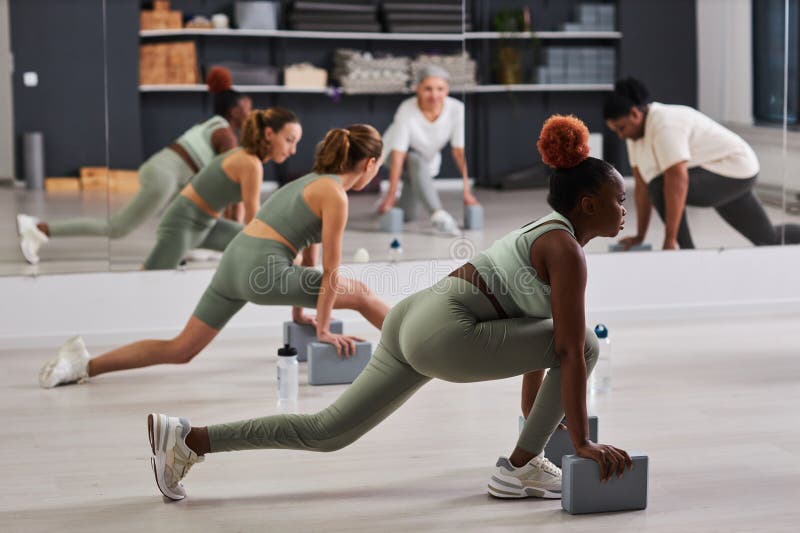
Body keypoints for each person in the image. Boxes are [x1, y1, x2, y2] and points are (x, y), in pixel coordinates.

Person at [144, 115, 633, 502]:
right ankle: (518, 469)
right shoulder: (565, 250)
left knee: (327, 431)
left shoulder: (542, 230)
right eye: (619, 199)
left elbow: (538, 338)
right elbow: (569, 350)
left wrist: (537, 423)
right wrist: (581, 443)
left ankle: (189, 440)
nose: (624, 210)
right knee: (586, 341)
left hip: (411, 319)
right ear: (588, 204)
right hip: (447, 332)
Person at [38, 124, 390, 390]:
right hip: (262, 270)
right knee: (361, 295)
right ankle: (421, 347)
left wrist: (303, 313)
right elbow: (330, 273)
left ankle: (83, 365)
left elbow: (308, 251)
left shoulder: (313, 181)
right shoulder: (336, 195)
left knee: (181, 348)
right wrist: (325, 329)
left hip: (235, 263)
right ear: (370, 164)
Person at [17, 67, 252, 264]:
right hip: (165, 177)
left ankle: (181, 250)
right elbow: (232, 187)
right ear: (234, 112)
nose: (250, 115)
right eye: (247, 109)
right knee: (118, 227)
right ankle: (39, 229)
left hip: (164, 170)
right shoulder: (226, 137)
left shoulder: (215, 125)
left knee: (185, 217)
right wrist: (238, 232)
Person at [604, 77, 800, 250]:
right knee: (768, 239)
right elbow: (641, 189)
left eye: (621, 128)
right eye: (616, 131)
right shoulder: (634, 137)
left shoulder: (665, 123)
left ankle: (686, 250)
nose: (621, 135)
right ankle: (684, 249)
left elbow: (677, 181)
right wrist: (640, 237)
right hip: (719, 171)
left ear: (635, 114)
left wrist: (670, 240)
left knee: (660, 185)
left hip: (736, 168)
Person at [142, 107, 300, 270]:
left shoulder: (247, 158)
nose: (293, 151)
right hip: (183, 224)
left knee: (277, 251)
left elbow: (242, 213)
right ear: (268, 134)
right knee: (149, 276)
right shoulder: (250, 164)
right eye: (289, 140)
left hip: (208, 226)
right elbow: (254, 217)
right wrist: (275, 248)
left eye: (296, 143)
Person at [376, 65, 479, 236]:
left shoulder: (457, 109)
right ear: (417, 88)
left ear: (447, 90)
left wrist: (467, 192)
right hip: (391, 156)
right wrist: (391, 194)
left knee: (408, 216)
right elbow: (399, 153)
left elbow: (459, 152)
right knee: (415, 159)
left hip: (424, 163)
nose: (434, 95)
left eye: (440, 89)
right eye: (428, 89)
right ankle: (438, 215)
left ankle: (404, 197)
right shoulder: (406, 109)